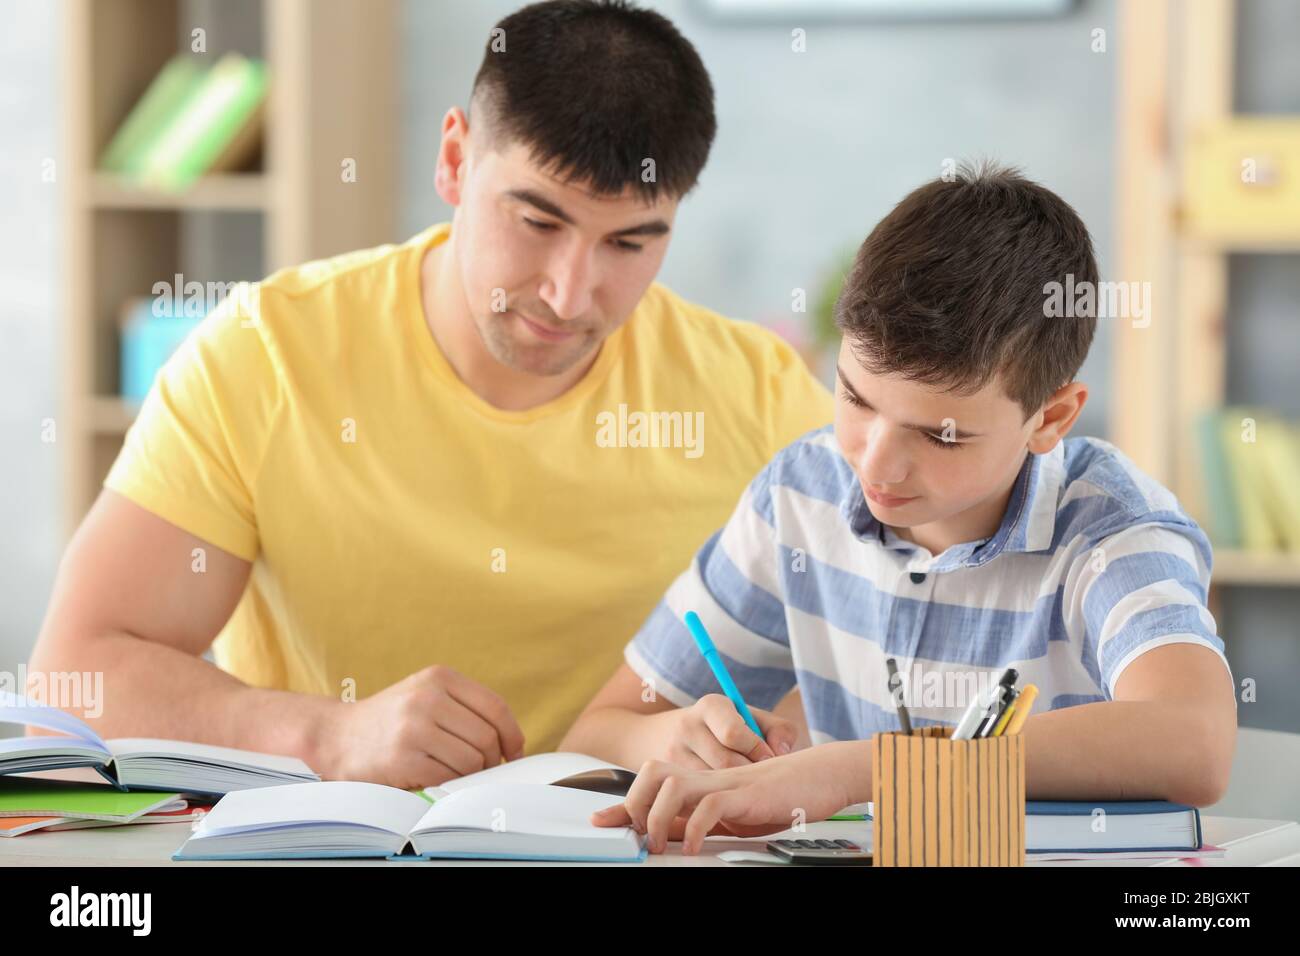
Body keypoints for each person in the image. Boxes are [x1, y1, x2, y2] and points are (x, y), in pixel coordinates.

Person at [27, 0, 831, 788]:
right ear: (455, 159)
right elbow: (70, 685)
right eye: (537, 222)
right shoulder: (265, 354)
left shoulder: (758, 397)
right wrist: (326, 735)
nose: (569, 294)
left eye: (627, 242)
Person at [572, 163, 1238, 854]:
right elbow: (597, 730)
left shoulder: (1110, 529)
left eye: (941, 434)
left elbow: (1196, 740)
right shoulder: (802, 495)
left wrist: (854, 772)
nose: (875, 464)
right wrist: (672, 738)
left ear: (1052, 417)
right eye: (857, 399)